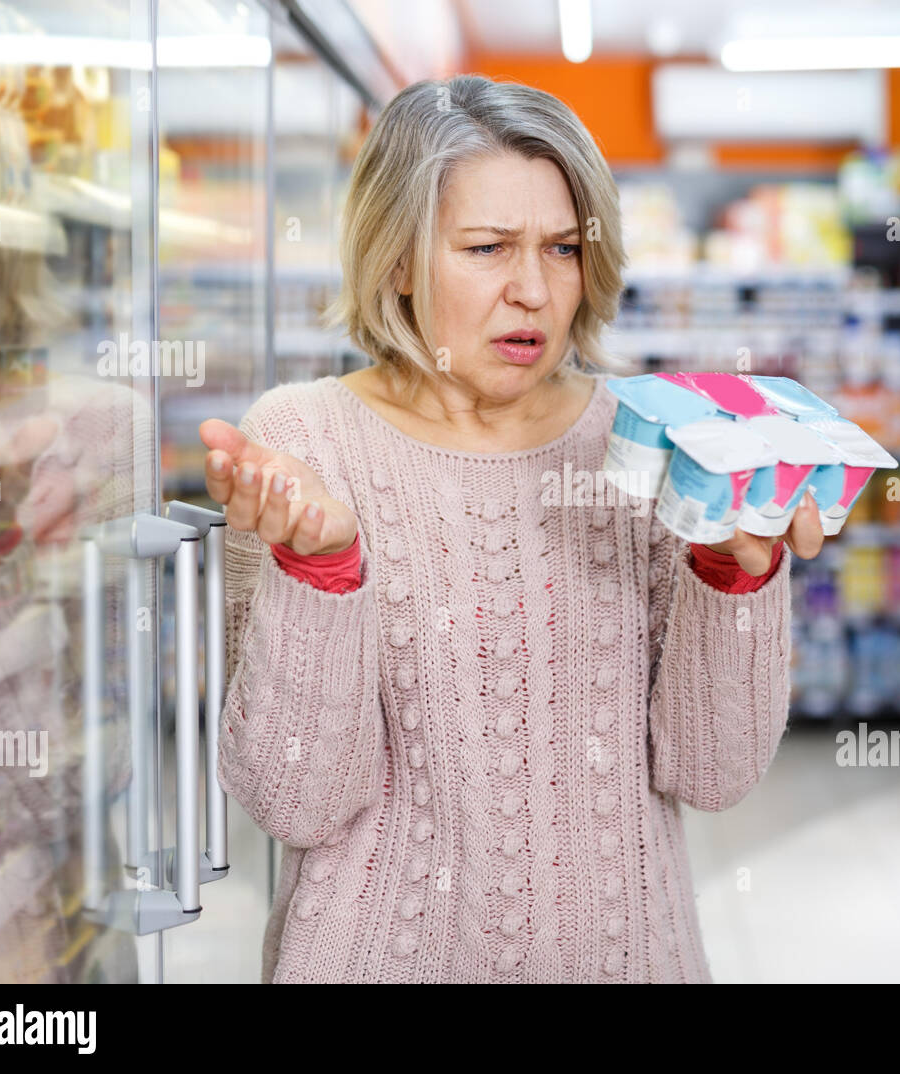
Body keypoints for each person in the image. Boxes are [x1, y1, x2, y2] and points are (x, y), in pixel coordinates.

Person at [197, 74, 824, 983]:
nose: (532, 289)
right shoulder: (304, 442)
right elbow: (296, 800)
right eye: (488, 248)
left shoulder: (645, 437)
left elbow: (713, 771)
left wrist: (734, 575)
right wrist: (323, 569)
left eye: (564, 249)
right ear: (399, 260)